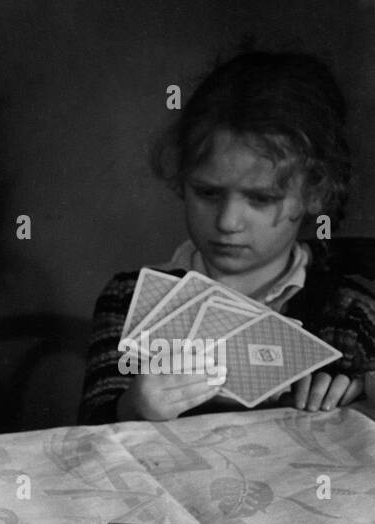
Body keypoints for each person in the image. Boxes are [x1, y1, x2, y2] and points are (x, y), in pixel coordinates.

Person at [79, 51, 375, 424]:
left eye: (261, 198)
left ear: (315, 192)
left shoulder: (353, 307)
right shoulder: (128, 299)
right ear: (182, 180)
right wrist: (132, 408)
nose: (228, 221)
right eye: (208, 193)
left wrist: (357, 397)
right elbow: (92, 426)